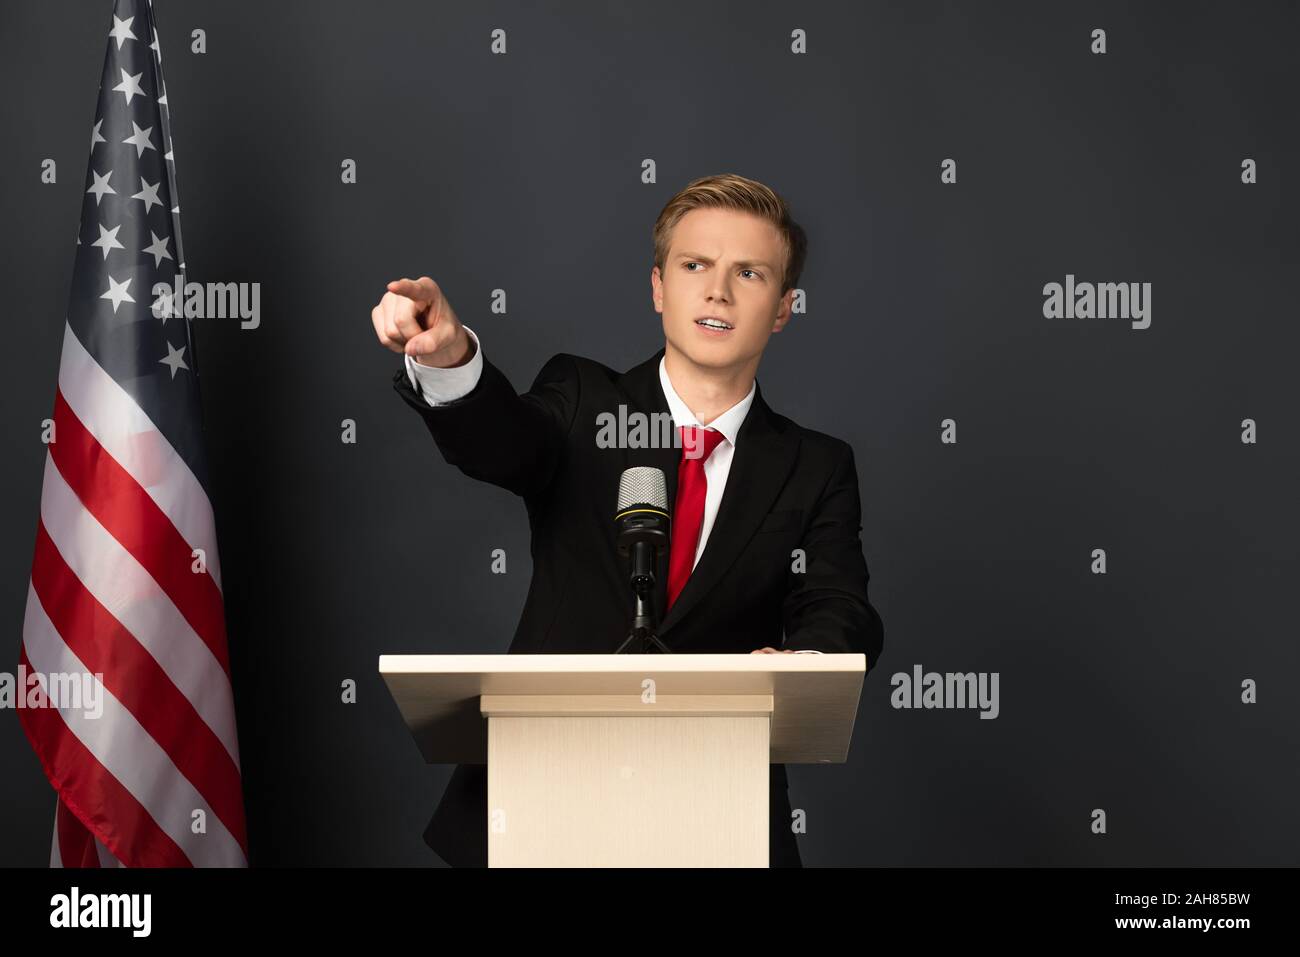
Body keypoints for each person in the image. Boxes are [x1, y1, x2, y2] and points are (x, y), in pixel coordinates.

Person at [371, 172, 884, 867]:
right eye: (695, 265)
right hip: (539, 801)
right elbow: (503, 441)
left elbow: (837, 602)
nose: (718, 291)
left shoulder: (816, 465)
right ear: (658, 287)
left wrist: (808, 663)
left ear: (784, 307)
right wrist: (451, 358)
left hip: (718, 814)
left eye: (750, 273)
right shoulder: (584, 400)